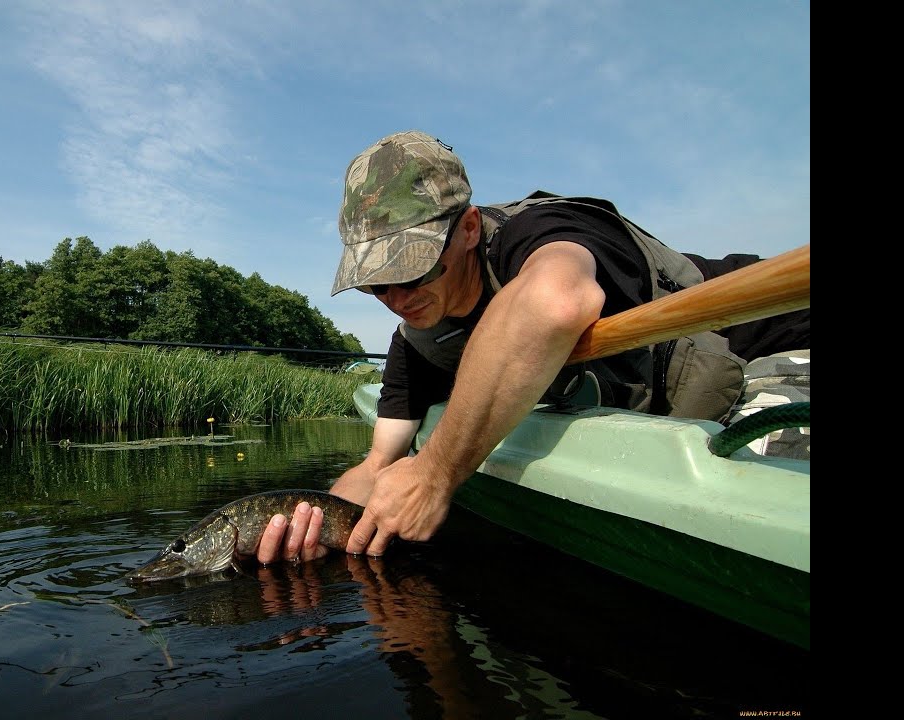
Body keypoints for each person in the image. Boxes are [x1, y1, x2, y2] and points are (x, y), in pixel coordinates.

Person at [255, 130, 809, 564]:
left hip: (772, 340)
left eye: (412, 268)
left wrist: (435, 473)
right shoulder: (418, 340)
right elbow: (378, 463)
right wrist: (306, 522)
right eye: (377, 282)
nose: (397, 298)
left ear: (469, 228)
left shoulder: (544, 231)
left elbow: (554, 304)